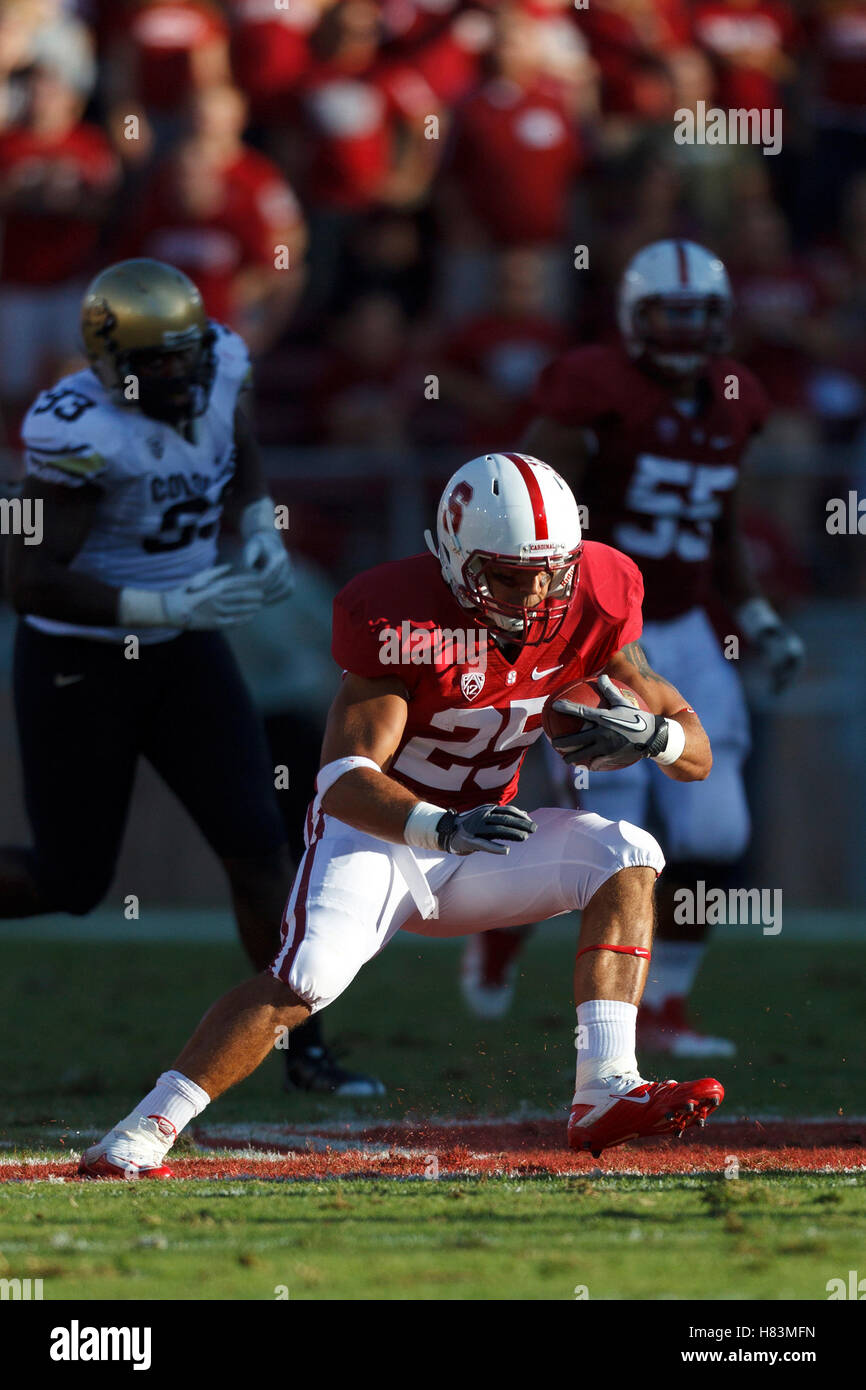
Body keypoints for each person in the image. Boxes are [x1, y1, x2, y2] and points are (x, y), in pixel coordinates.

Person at [79, 450, 723, 1178]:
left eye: (551, 571)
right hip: (383, 834)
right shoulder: (399, 614)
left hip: (487, 841)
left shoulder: (596, 594)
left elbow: (696, 752)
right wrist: (438, 826)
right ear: (455, 558)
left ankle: (606, 1088)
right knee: (307, 979)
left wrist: (655, 735)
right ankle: (145, 1127)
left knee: (629, 850)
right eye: (511, 574)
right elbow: (343, 778)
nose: (537, 591)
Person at [461, 240, 804, 1054]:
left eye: (700, 316)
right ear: (632, 317)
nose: (685, 332)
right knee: (613, 826)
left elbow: (716, 520)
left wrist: (752, 615)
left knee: (715, 831)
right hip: (595, 627)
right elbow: (535, 508)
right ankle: (514, 930)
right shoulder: (591, 390)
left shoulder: (734, 399)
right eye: (669, 314)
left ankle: (668, 1001)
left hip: (685, 627)